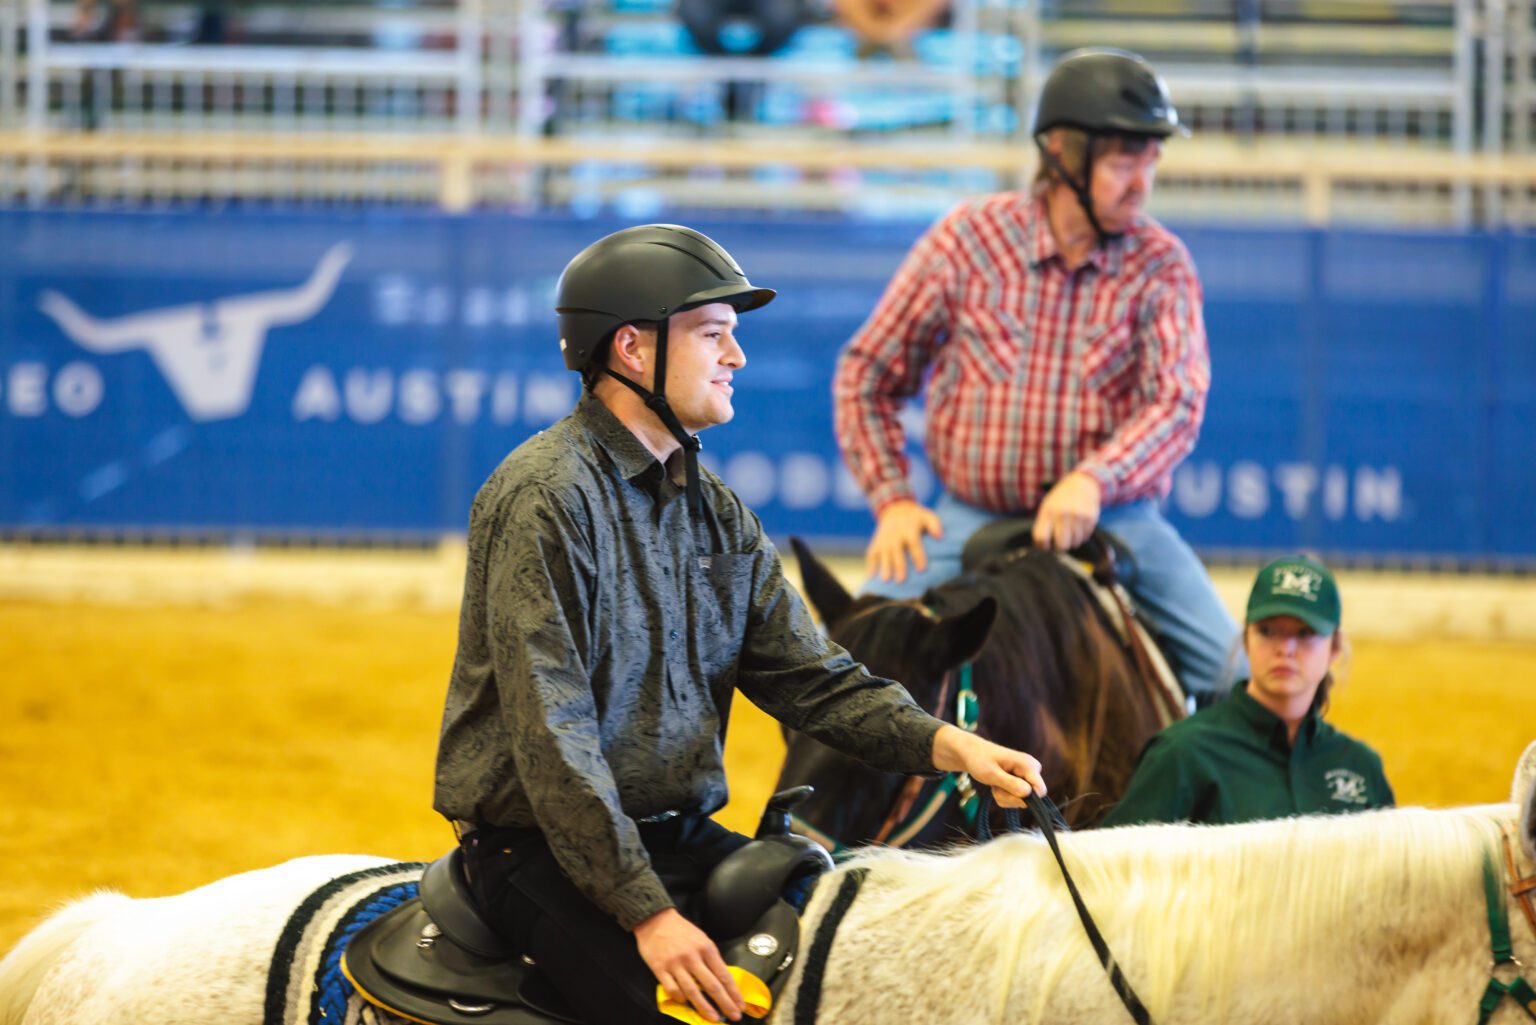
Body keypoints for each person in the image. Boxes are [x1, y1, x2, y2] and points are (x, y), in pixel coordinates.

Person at [432, 224, 1049, 1025]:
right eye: (714, 334)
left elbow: (814, 680)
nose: (737, 357)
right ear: (631, 347)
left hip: (681, 833)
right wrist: (648, 914)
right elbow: (556, 739)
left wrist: (949, 744)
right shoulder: (543, 496)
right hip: (541, 853)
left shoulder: (714, 509)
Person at [833, 47, 1241, 700]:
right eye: (1122, 159)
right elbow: (868, 372)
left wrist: (1092, 479)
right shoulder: (967, 240)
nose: (1142, 179)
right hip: (969, 517)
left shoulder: (1161, 264)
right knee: (843, 664)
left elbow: (1178, 399)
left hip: (1116, 520)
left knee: (1240, 681)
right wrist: (894, 500)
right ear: (1061, 153)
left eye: (1151, 158)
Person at [1100, 554, 1394, 827]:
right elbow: (1112, 870)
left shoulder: (1361, 768)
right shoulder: (1183, 754)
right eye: (1267, 631)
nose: (1285, 649)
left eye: (1305, 633)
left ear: (1334, 648)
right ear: (1246, 638)